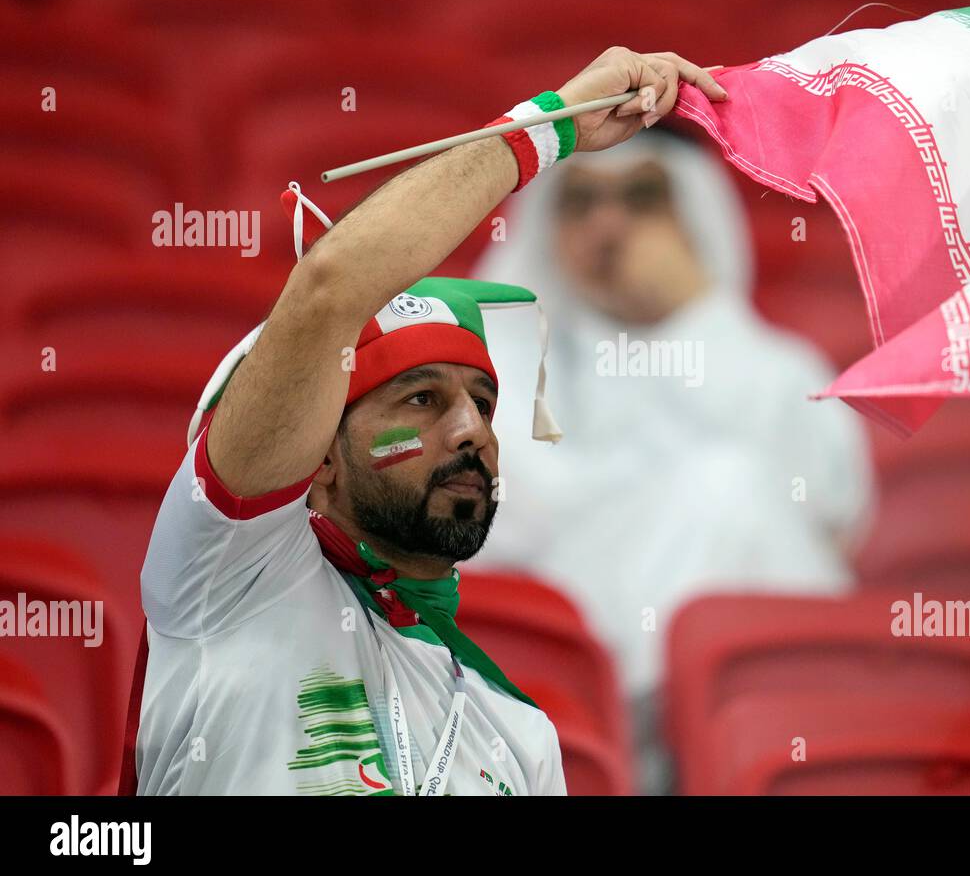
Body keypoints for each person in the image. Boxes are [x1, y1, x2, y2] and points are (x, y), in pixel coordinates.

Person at [131, 48, 730, 795]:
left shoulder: (519, 735)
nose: (471, 430)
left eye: (483, 401)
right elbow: (328, 290)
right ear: (317, 457)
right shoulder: (233, 577)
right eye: (419, 398)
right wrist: (550, 125)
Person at [473, 125, 875, 793]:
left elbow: (835, 503)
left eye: (641, 198)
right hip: (574, 644)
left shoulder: (770, 361)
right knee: (726, 489)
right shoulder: (499, 356)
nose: (609, 224)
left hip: (750, 673)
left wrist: (693, 317)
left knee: (732, 491)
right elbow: (503, 518)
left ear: (691, 215)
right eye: (581, 202)